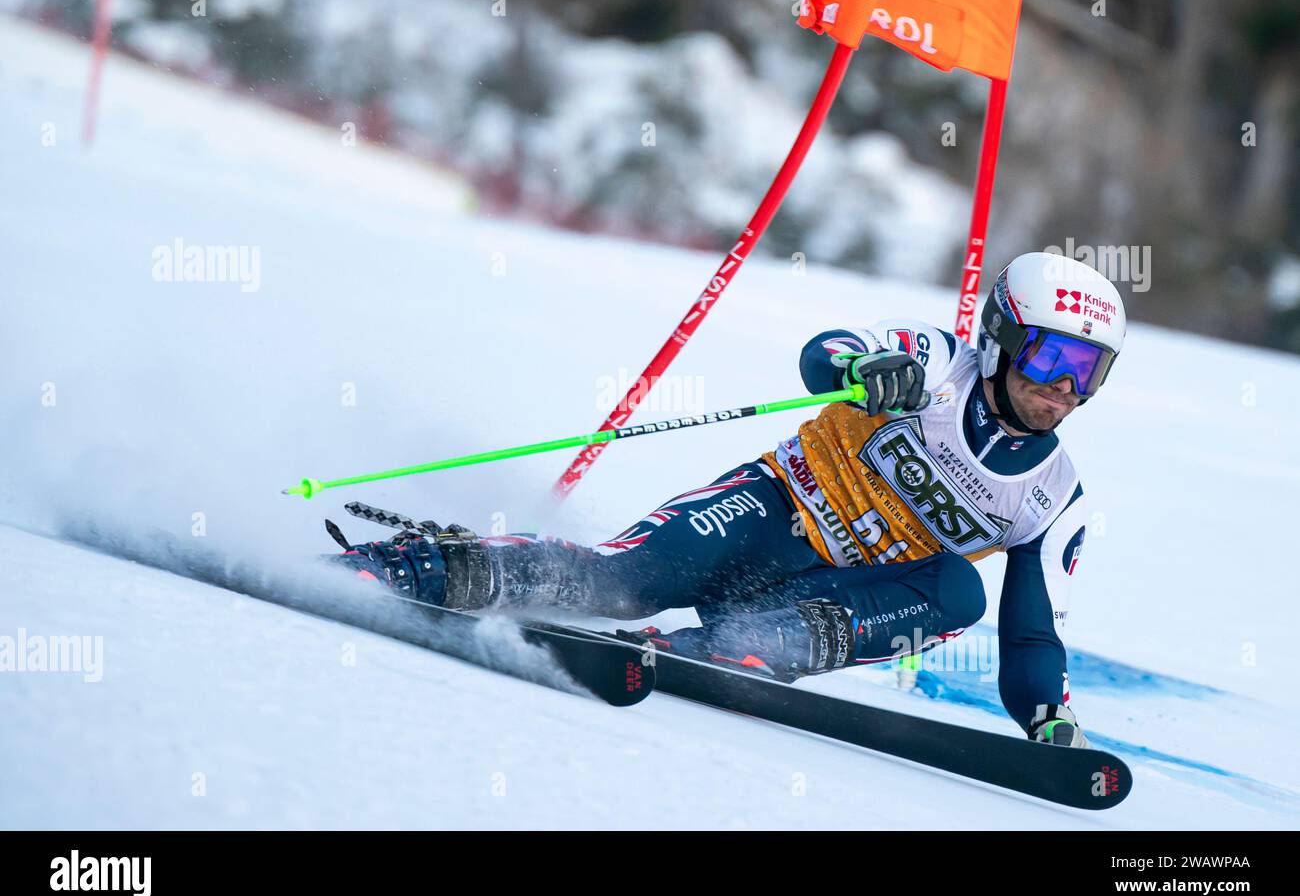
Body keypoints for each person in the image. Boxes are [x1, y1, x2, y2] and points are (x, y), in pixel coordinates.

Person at [330, 252, 1126, 748]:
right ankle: (420, 566)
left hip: (829, 595)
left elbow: (1030, 637)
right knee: (624, 584)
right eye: (1052, 355)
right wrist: (864, 370)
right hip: (771, 513)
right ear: (1002, 335)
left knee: (959, 588)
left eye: (1087, 372)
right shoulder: (937, 362)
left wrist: (1046, 720)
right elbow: (831, 354)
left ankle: (748, 645)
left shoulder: (1053, 498)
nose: (1061, 386)